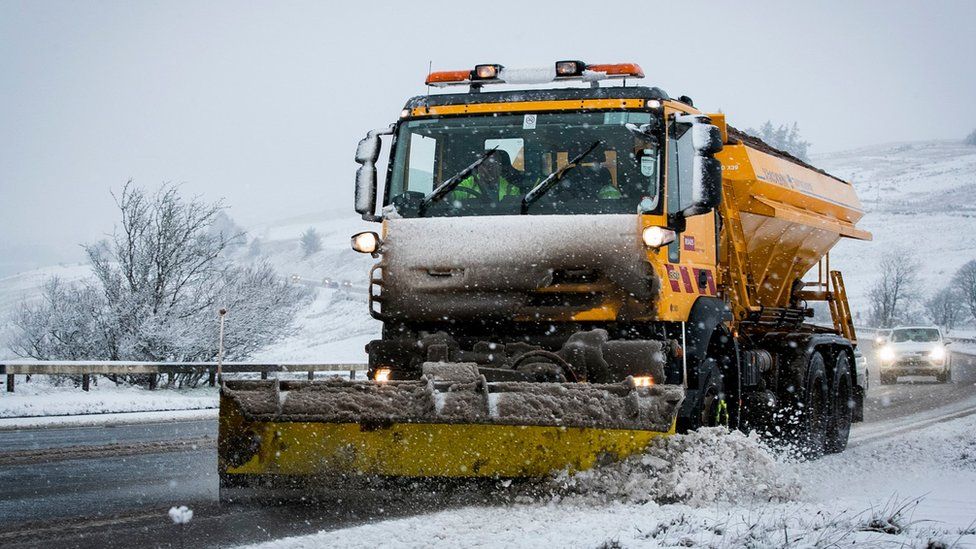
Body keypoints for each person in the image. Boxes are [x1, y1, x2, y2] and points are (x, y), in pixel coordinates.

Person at [451, 149, 521, 202]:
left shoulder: (511, 189)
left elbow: (515, 210)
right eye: (483, 165)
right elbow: (451, 194)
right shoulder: (468, 184)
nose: (487, 169)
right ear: (478, 167)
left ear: (500, 167)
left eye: (491, 165)